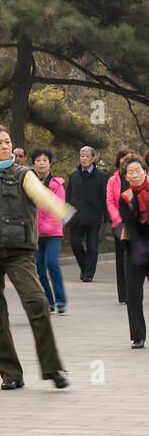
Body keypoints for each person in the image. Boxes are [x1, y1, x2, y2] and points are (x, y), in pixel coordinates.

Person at [0, 125, 73, 391]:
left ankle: (52, 368)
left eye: (8, 142)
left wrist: (64, 213)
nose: (5, 146)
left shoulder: (24, 174)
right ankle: (10, 373)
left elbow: (42, 196)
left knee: (38, 303)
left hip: (17, 253)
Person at [115, 154, 149, 348]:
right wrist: (138, 246)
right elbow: (129, 224)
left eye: (138, 171)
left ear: (145, 171)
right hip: (135, 248)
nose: (135, 175)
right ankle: (138, 336)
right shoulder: (125, 198)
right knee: (133, 294)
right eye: (131, 172)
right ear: (125, 176)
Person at [31, 147, 68, 315]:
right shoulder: (29, 183)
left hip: (53, 233)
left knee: (52, 264)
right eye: (38, 160)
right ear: (33, 163)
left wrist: (45, 227)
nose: (41, 163)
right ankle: (48, 301)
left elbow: (57, 209)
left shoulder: (57, 185)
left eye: (44, 160)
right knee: (38, 269)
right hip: (35, 235)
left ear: (50, 163)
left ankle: (60, 300)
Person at [68, 146, 108, 282]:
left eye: (86, 156)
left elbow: (105, 197)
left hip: (93, 217)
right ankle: (85, 267)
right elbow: (68, 197)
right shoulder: (74, 175)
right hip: (76, 218)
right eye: (82, 156)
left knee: (92, 248)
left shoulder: (102, 176)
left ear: (93, 158)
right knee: (75, 243)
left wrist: (107, 217)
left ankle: (88, 274)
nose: (84, 158)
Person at [106, 147, 133, 304]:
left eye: (129, 157)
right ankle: (124, 295)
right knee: (122, 259)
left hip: (137, 222)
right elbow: (110, 201)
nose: (125, 160)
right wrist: (118, 219)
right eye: (123, 157)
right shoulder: (112, 180)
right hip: (120, 224)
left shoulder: (136, 176)